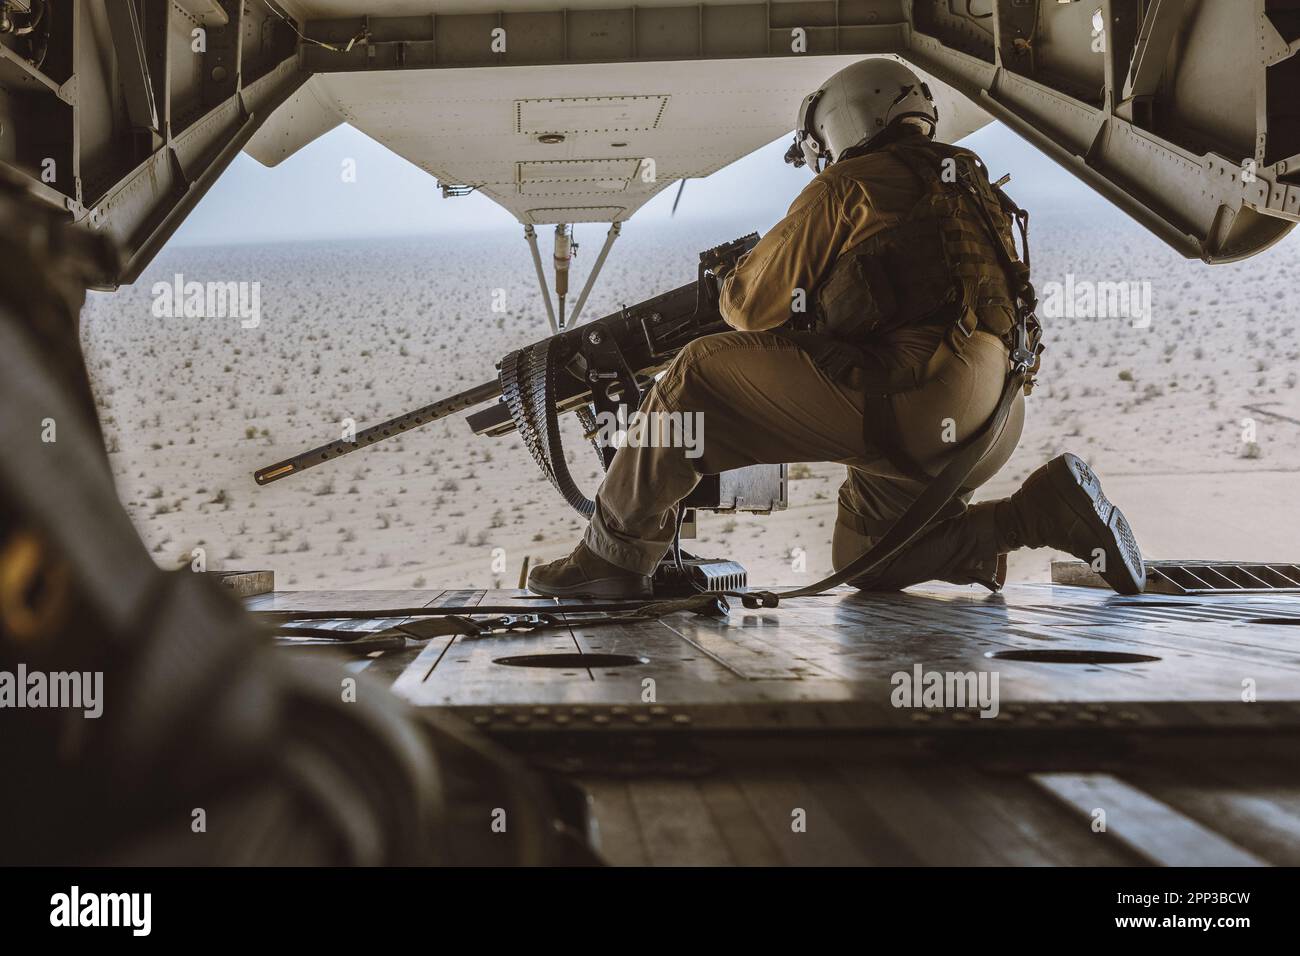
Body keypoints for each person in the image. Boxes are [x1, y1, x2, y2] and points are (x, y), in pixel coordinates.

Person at [528, 58, 1144, 599]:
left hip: (921, 402)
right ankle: (1040, 514)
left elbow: (748, 306)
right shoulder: (968, 185)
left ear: (844, 122)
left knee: (695, 375)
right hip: (993, 421)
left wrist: (728, 281)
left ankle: (609, 561)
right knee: (868, 559)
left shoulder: (849, 183)